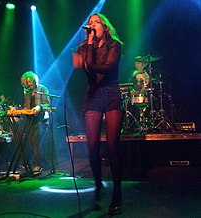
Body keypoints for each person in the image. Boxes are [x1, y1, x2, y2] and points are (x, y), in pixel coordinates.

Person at [73, 14, 124, 216]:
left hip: (111, 93)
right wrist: (90, 45)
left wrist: (84, 63)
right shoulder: (86, 46)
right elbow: (89, 75)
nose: (92, 25)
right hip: (93, 95)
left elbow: (107, 68)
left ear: (104, 25)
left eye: (96, 22)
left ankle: (117, 194)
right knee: (92, 146)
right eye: (90, 23)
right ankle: (98, 187)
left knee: (112, 145)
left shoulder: (115, 44)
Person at [20, 71, 50, 173]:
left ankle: (40, 164)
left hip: (42, 120)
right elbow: (27, 106)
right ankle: (41, 162)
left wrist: (39, 107)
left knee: (35, 139)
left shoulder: (42, 89)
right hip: (31, 121)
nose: (28, 84)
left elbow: (48, 105)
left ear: (34, 80)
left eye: (29, 81)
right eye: (26, 83)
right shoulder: (27, 93)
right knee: (30, 141)